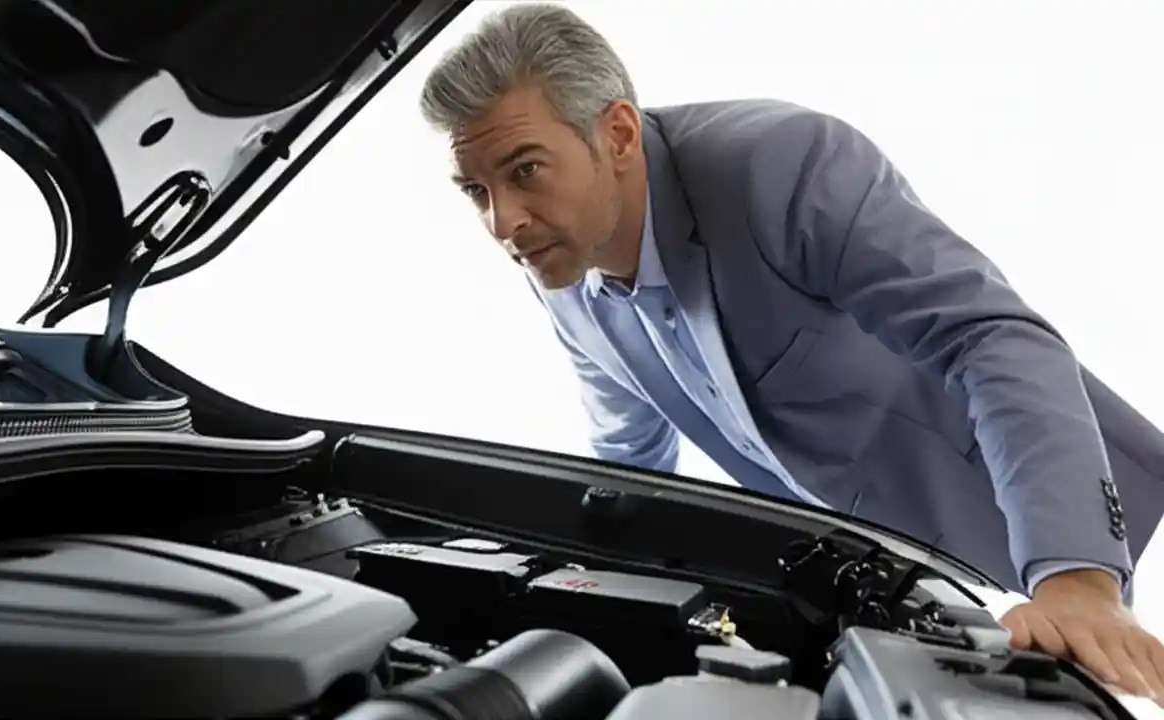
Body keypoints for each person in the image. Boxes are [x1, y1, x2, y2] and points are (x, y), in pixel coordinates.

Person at [417, 1, 1164, 703]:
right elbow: (630, 460)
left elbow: (987, 339)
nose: (503, 223)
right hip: (910, 603)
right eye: (474, 191)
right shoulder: (561, 268)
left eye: (524, 171)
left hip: (1084, 544)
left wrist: (1078, 577)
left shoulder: (778, 166)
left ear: (615, 134)